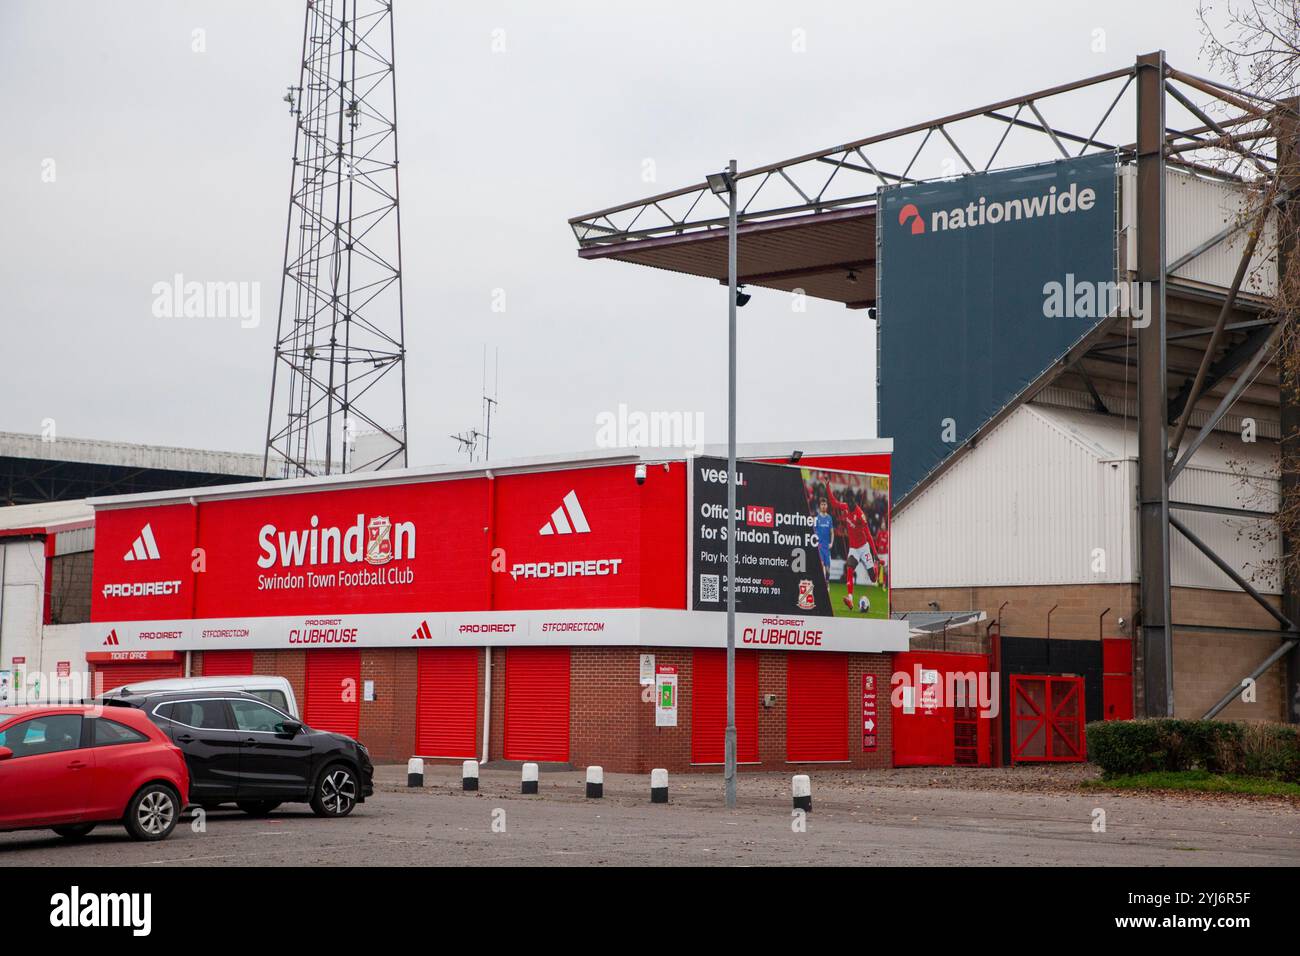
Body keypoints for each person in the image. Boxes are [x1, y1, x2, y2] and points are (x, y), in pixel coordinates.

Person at [827, 486, 877, 610]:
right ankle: (850, 599)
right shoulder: (845, 507)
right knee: (849, 569)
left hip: (864, 548)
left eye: (850, 502)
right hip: (854, 549)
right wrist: (828, 486)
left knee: (873, 578)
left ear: (853, 501)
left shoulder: (860, 515)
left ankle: (874, 566)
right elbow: (833, 503)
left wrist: (874, 553)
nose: (848, 505)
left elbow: (869, 535)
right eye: (847, 502)